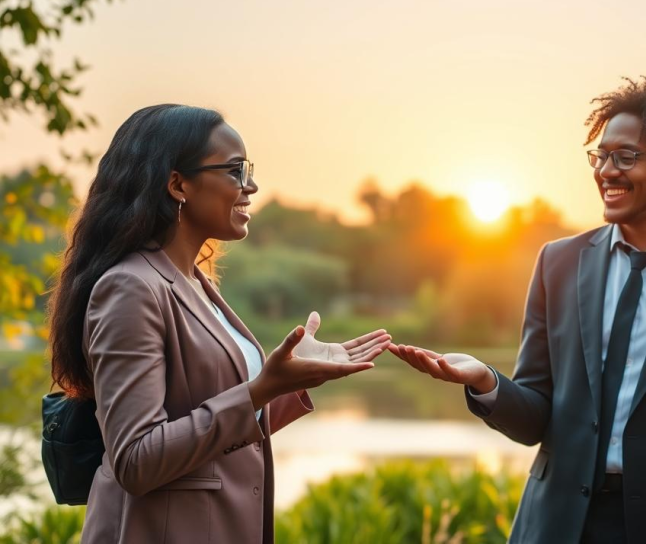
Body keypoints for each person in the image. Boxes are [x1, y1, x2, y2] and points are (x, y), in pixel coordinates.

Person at [391, 78, 646, 543]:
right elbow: (536, 418)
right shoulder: (558, 263)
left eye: (627, 157)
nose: (607, 170)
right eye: (600, 156)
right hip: (557, 526)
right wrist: (485, 380)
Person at [47, 105, 392, 543]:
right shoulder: (131, 288)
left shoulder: (196, 283)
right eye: (235, 170)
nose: (251, 186)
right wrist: (261, 388)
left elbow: (217, 421)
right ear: (178, 184)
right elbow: (136, 460)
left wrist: (287, 383)